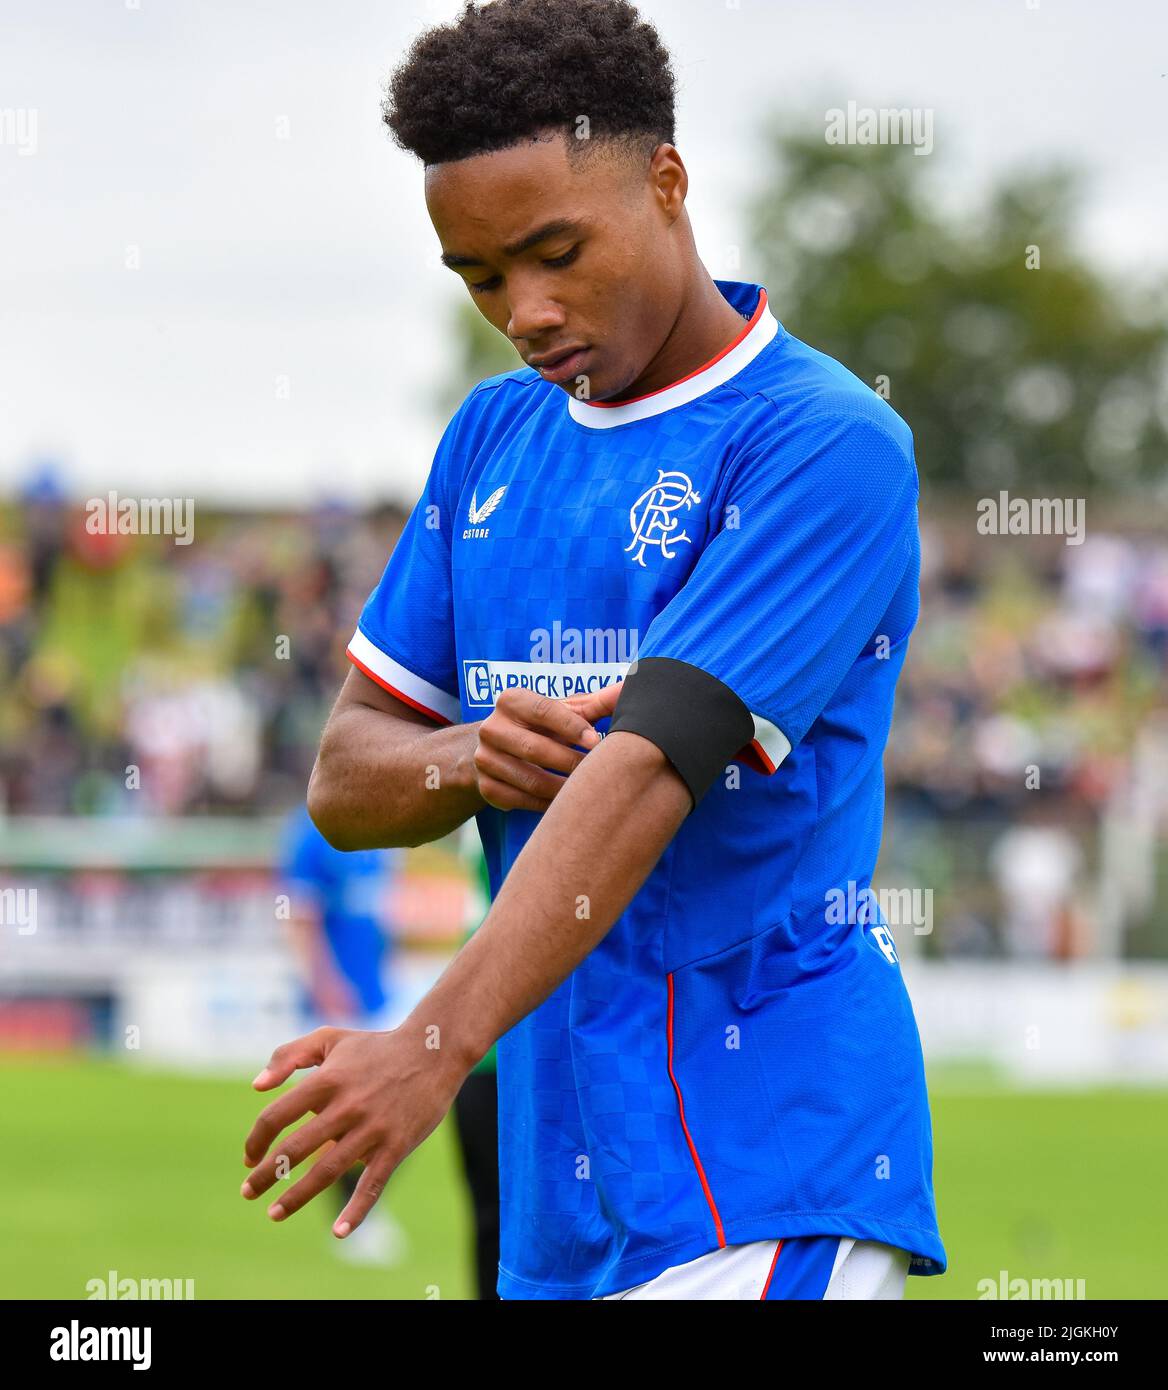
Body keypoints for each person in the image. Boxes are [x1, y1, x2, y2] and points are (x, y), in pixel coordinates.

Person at [242, 0, 946, 1300]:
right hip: (560, 1178)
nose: (526, 308)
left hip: (761, 1161)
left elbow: (645, 769)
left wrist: (432, 1045)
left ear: (668, 182)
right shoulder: (493, 439)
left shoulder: (821, 443)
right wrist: (468, 755)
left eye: (556, 251)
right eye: (482, 275)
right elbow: (346, 778)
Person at [277, 803, 407, 1267]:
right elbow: (300, 919)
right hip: (334, 1007)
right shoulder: (310, 836)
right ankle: (351, 1221)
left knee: (395, 1111)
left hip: (377, 1000)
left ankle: (363, 1213)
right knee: (341, 1119)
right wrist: (325, 985)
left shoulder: (382, 832)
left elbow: (379, 919)